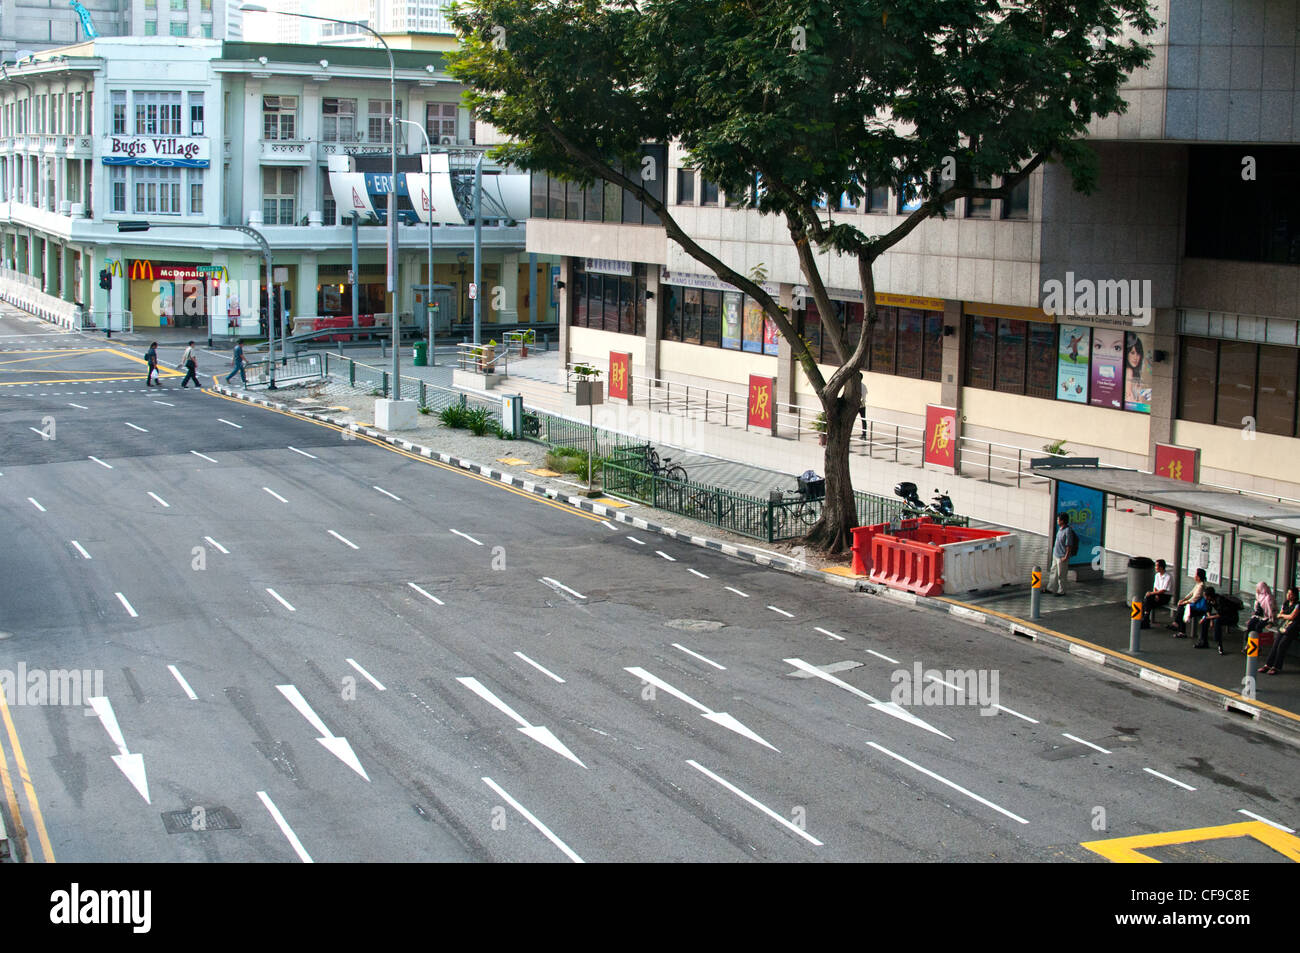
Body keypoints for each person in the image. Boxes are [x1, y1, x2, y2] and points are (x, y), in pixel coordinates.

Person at [1259, 588, 1299, 674]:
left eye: (1291, 594)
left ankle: (1276, 667)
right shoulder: (1286, 603)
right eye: (1288, 593)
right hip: (1283, 627)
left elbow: (1292, 617)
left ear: (1295, 596)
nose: (1288, 595)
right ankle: (1268, 665)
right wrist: (1284, 615)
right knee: (1275, 645)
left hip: (1292, 629)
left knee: (1281, 646)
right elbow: (1279, 614)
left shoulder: (1298, 605)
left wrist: (1283, 615)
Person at [1170, 567, 1208, 638]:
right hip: (1194, 606)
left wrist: (1184, 602)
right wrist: (1183, 600)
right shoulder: (1198, 584)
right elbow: (1191, 593)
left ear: (1198, 577)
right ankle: (1178, 626)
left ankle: (1179, 627)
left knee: (1182, 610)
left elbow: (1194, 599)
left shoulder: (1201, 586)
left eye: (1195, 575)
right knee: (1181, 608)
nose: (1194, 576)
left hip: (1198, 608)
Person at [1047, 512, 1077, 596]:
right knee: (1053, 572)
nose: (1057, 520)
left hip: (1062, 556)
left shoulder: (1067, 531)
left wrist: (1066, 556)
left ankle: (1061, 591)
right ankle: (1050, 588)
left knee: (1061, 575)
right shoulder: (1060, 529)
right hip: (1056, 555)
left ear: (1062, 521)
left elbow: (1069, 545)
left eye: (1058, 519)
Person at [1244, 581, 1277, 652]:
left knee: (1258, 627)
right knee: (1250, 624)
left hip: (1267, 617)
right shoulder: (1258, 595)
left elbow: (1272, 611)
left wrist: (1271, 622)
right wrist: (1252, 617)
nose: (1256, 589)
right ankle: (1249, 643)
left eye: (1258, 588)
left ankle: (1257, 645)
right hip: (1259, 616)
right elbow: (1257, 609)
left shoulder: (1268, 598)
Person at [1140, 558, 1172, 628]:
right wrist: (1156, 594)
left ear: (1161, 567)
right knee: (1148, 600)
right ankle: (1145, 619)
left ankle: (1145, 619)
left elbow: (1164, 590)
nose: (1155, 568)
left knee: (1147, 599)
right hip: (1157, 594)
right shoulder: (1157, 575)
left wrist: (1153, 594)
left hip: (1165, 596)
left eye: (1156, 566)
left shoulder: (1168, 576)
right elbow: (1155, 587)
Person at [1195, 587, 1223, 652]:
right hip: (1219, 614)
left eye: (1205, 596)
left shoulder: (1219, 600)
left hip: (1228, 616)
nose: (1204, 597)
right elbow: (1208, 610)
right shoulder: (1209, 600)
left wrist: (1207, 618)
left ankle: (1219, 645)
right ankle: (1204, 642)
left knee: (1217, 622)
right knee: (1205, 620)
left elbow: (1220, 614)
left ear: (1209, 596)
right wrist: (1210, 620)